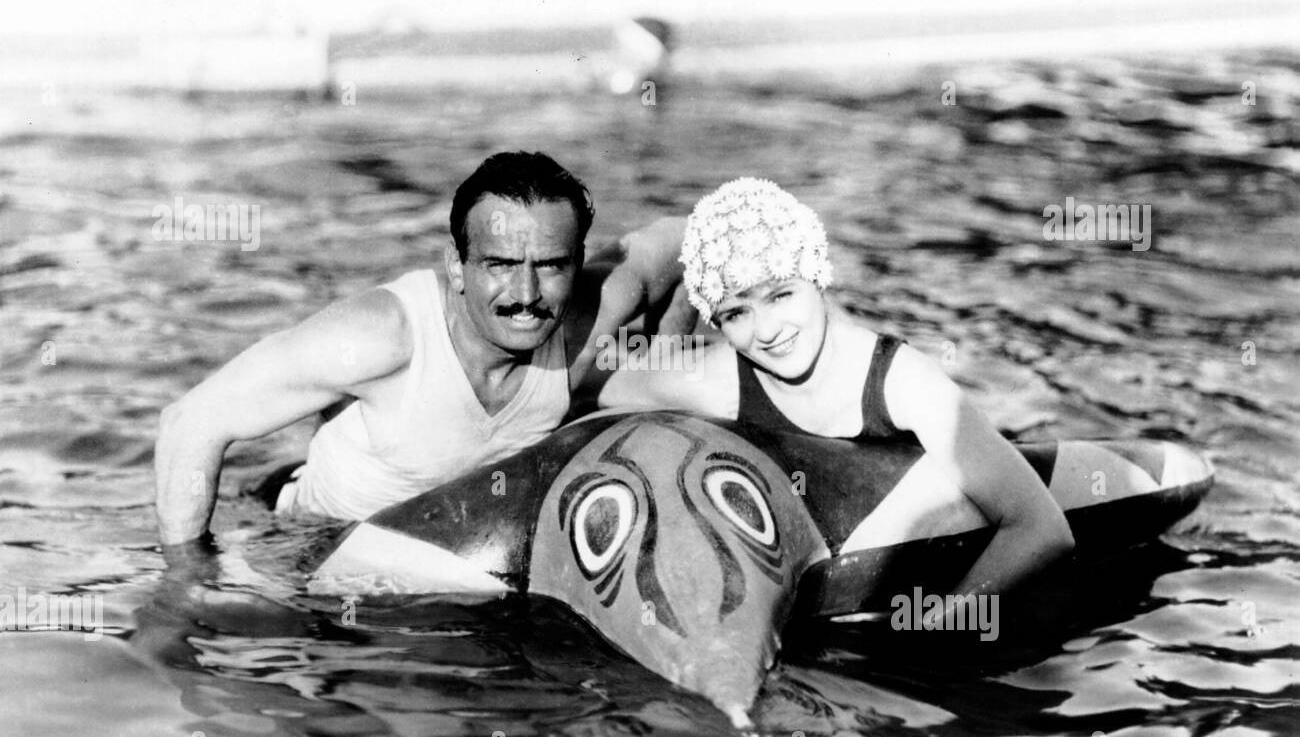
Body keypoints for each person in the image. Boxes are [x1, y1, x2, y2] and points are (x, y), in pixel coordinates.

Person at [155, 151, 693, 545]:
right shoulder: (385, 336)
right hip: (306, 537)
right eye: (500, 265)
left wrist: (668, 365)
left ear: (577, 263)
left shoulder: (588, 317)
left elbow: (685, 240)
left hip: (458, 537)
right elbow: (191, 421)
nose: (527, 296)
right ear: (457, 267)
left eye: (551, 265)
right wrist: (184, 589)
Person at [597, 177, 1075, 597]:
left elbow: (1042, 527)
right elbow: (599, 390)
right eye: (737, 313)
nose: (767, 332)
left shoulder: (903, 382)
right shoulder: (716, 379)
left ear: (817, 277)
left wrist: (942, 625)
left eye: (781, 295)